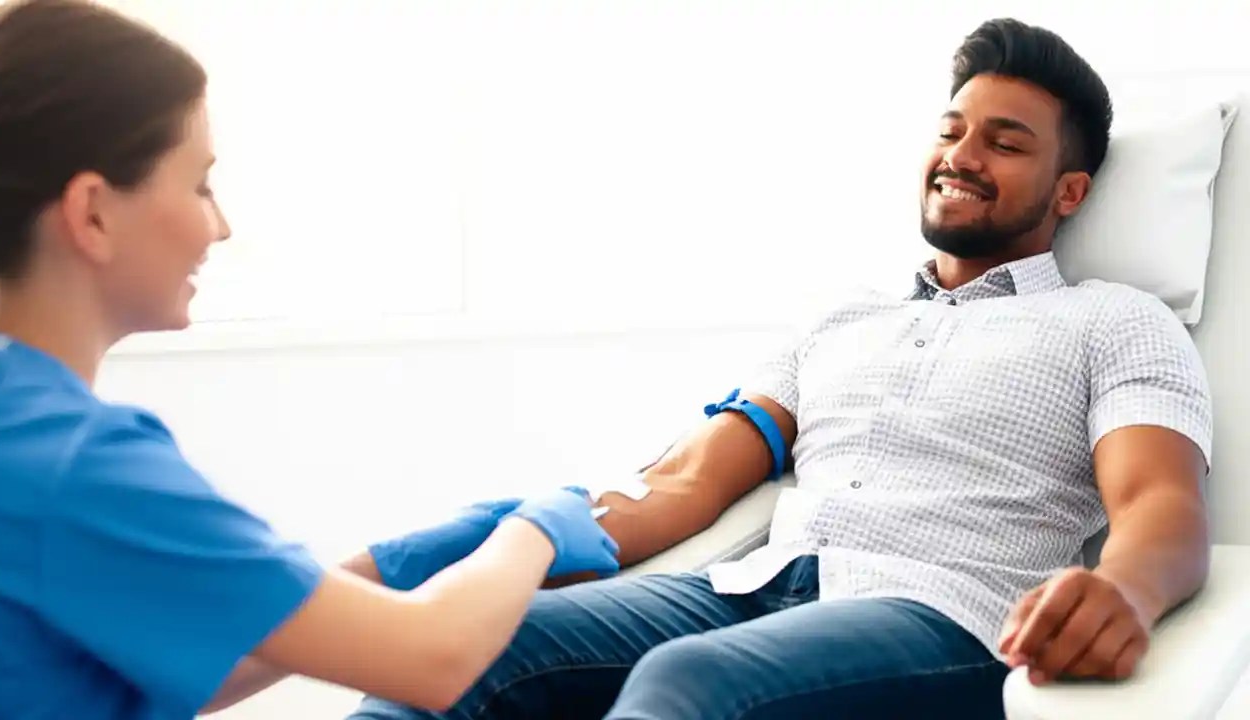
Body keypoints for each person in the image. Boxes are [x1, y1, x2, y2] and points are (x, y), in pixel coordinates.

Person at [355, 17, 1214, 720]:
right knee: (466, 644)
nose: (961, 156)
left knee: (685, 688)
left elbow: (1159, 504)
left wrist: (1125, 594)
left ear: (1068, 191)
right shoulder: (839, 316)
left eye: (1005, 142)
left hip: (940, 620)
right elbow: (686, 481)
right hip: (751, 589)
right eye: (950, 131)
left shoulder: (1114, 319)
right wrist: (461, 553)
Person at [0, 2, 622, 719]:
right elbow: (433, 657)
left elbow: (134, 683)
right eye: (199, 185)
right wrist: (533, 533)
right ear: (92, 212)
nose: (219, 227)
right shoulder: (78, 463)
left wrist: (378, 571)